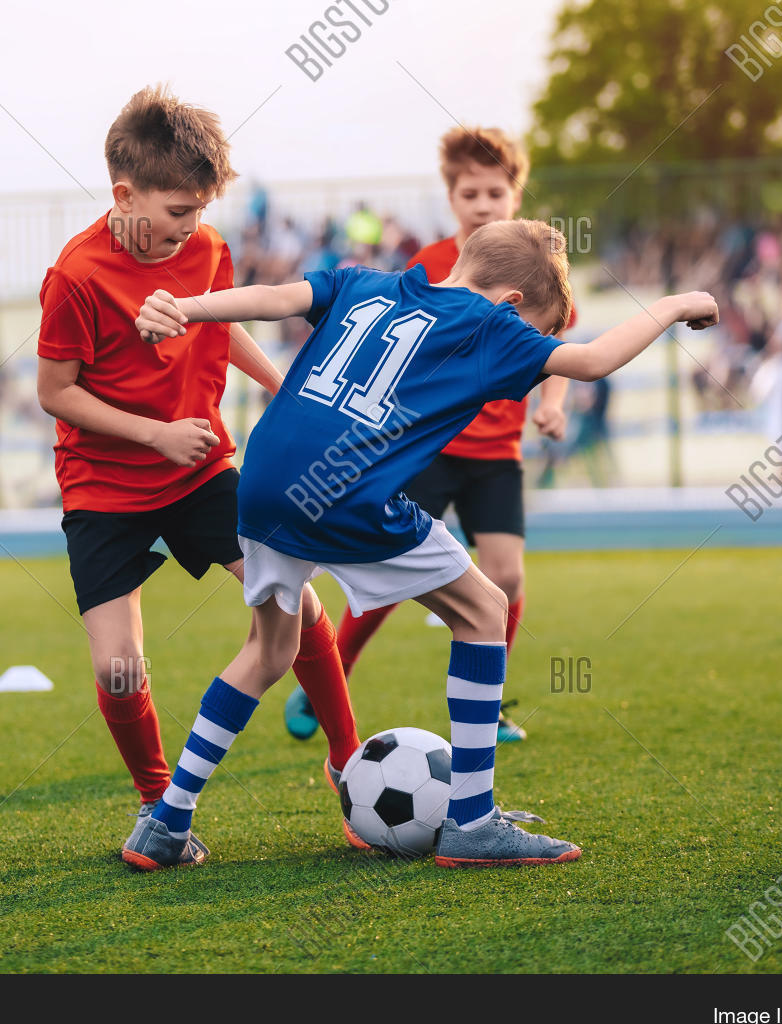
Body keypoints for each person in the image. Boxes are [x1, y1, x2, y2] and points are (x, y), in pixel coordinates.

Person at [123, 218, 717, 869]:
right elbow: (594, 361)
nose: (529, 345)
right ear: (513, 302)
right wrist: (676, 303)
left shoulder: (364, 282)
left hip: (261, 480)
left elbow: (272, 298)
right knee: (486, 611)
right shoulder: (493, 324)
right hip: (346, 493)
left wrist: (184, 308)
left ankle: (167, 821)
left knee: (269, 649)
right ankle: (474, 821)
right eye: (538, 329)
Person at [35, 85, 362, 861]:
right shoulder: (74, 276)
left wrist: (282, 385)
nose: (192, 226)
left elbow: (218, 325)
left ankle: (348, 761)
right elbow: (55, 392)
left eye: (202, 209)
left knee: (296, 598)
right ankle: (160, 805)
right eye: (178, 210)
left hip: (199, 469)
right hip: (105, 487)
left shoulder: (207, 248)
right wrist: (153, 435)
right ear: (125, 196)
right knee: (119, 670)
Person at [283, 127, 574, 744]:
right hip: (429, 449)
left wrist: (552, 405)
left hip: (498, 455)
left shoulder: (539, 272)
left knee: (507, 580)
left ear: (515, 195)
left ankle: (488, 707)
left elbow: (556, 351)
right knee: (393, 574)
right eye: (471, 193)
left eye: (496, 192)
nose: (484, 204)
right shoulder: (435, 267)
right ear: (451, 197)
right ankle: (330, 678)